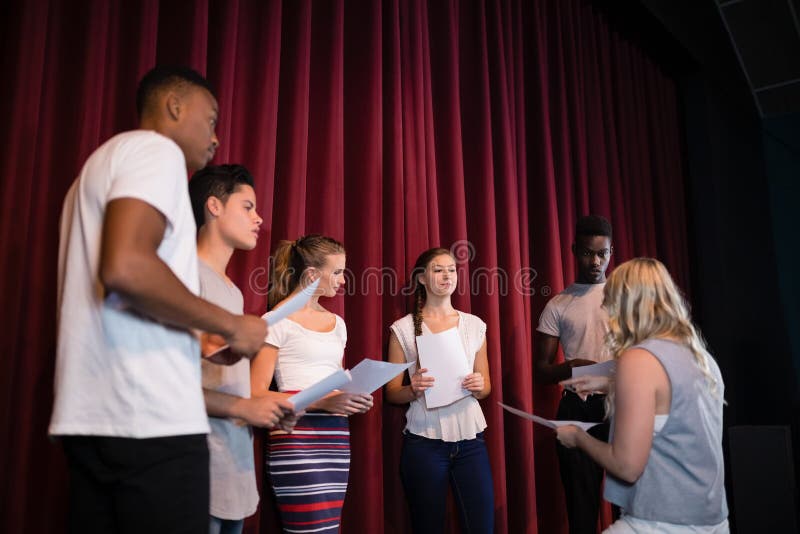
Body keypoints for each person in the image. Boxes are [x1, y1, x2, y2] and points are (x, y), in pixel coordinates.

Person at [49, 65, 269, 534]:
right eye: (210, 119)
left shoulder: (96, 168)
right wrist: (233, 324)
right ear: (174, 106)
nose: (215, 138)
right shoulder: (155, 151)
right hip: (150, 420)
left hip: (96, 415)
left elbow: (121, 293)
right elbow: (126, 267)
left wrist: (205, 338)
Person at [556, 258, 729, 533]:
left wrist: (577, 436)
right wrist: (609, 383)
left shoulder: (638, 359)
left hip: (661, 521)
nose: (605, 309)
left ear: (627, 304)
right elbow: (671, 396)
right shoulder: (700, 356)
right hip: (712, 520)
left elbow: (625, 466)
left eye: (610, 301)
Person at [189, 164, 297, 534]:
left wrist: (263, 409)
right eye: (247, 207)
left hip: (232, 458)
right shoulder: (184, 278)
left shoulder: (233, 292)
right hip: (196, 463)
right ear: (214, 206)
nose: (259, 218)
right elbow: (175, 379)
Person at [250, 234, 373, 533]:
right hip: (295, 437)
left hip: (334, 437)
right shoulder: (276, 320)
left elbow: (337, 381)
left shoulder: (338, 323)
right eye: (338, 272)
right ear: (311, 274)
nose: (343, 280)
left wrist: (353, 397)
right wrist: (321, 401)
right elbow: (254, 393)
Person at [386, 247, 494, 533]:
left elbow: (486, 387)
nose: (447, 275)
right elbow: (392, 392)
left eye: (451, 269)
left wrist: (479, 386)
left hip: (470, 441)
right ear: (421, 278)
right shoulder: (403, 328)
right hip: (424, 442)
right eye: (438, 270)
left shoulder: (474, 325)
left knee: (482, 525)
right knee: (428, 526)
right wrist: (413, 389)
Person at [534, 215, 614, 534]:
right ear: (573, 250)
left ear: (610, 252)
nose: (594, 261)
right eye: (587, 253)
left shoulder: (627, 297)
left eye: (602, 254)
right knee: (582, 511)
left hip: (623, 406)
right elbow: (541, 371)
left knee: (634, 508)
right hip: (577, 409)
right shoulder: (559, 304)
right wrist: (570, 366)